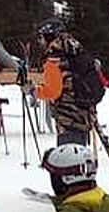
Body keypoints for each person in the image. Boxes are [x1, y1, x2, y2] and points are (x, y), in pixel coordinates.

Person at [35, 19, 100, 147]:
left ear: (49, 36)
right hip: (83, 114)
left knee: (68, 156)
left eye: (41, 37)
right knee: (79, 154)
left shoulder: (54, 59)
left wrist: (34, 91)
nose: (39, 42)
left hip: (68, 117)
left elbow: (53, 91)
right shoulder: (74, 51)